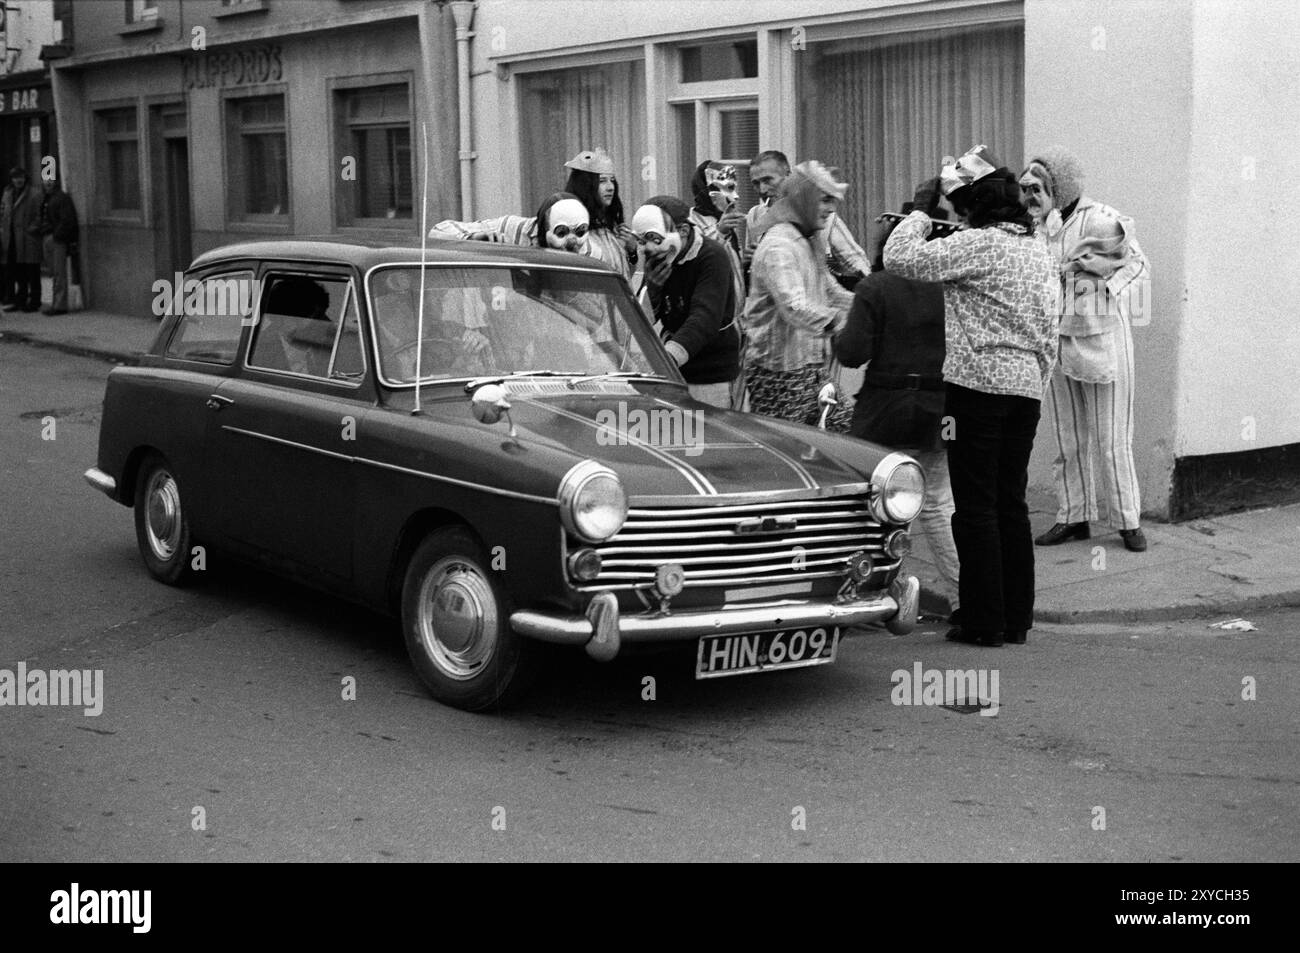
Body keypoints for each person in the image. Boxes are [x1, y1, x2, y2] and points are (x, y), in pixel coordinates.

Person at [884, 145, 1059, 647]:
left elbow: (900, 257)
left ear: (977, 208)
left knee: (974, 504)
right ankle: (1015, 618)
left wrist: (920, 212)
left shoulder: (979, 244)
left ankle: (983, 621)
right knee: (1011, 504)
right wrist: (1035, 379)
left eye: (962, 208)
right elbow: (1050, 328)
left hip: (975, 391)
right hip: (1026, 391)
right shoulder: (1036, 249)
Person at [1020, 147, 1150, 553]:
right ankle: (1073, 516)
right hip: (1058, 342)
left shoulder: (1101, 219)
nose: (1030, 197)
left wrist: (1101, 287)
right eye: (1025, 189)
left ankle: (1128, 522)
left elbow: (1138, 265)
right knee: (1069, 437)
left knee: (1111, 438)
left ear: (1059, 184)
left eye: (1038, 188)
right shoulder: (1042, 227)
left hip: (1103, 340)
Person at [835, 193, 959, 616]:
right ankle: (965, 598)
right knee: (939, 503)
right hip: (941, 410)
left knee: (868, 502)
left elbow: (851, 353)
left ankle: (864, 592)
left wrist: (839, 329)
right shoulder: (953, 285)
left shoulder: (876, 286)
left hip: (884, 411)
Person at [743, 160, 855, 432]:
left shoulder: (807, 239)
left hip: (811, 368)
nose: (831, 209)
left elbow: (829, 291)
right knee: (786, 452)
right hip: (778, 375)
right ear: (804, 199)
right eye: (824, 200)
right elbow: (794, 307)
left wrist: (871, 304)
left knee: (844, 434)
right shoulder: (778, 246)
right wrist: (838, 322)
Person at [631, 195, 741, 408]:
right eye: (642, 241)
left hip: (710, 375)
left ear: (682, 231)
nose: (648, 249)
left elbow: (704, 318)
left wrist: (666, 360)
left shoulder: (712, 256)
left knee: (707, 436)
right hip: (673, 373)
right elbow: (641, 317)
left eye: (655, 238)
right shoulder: (659, 258)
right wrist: (653, 288)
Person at [744, 150, 870, 290]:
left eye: (767, 180)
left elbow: (854, 259)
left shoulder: (819, 215)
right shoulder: (755, 215)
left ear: (788, 176)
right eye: (755, 183)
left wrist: (874, 292)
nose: (762, 189)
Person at [562, 148, 637, 279]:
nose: (610, 187)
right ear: (585, 186)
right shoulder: (573, 232)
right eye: (602, 181)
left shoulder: (611, 228)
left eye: (612, 180)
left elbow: (623, 278)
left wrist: (631, 252)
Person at [1, 168, 43, 312]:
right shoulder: (7, 194)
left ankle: (34, 301)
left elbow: (40, 214)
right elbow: (3, 213)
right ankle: (20, 299)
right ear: (11, 179)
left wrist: (32, 229)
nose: (18, 180)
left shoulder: (35, 194)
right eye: (15, 177)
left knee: (32, 271)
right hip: (12, 238)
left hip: (28, 238)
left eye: (21, 177)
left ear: (25, 178)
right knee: (17, 271)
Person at [37, 176, 79, 315]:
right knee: (54, 272)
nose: (48, 183)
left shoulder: (61, 198)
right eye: (45, 180)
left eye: (50, 180)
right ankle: (56, 303)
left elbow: (67, 219)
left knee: (59, 273)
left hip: (57, 239)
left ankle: (60, 305)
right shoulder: (46, 198)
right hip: (49, 237)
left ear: (56, 181)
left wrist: (57, 235)